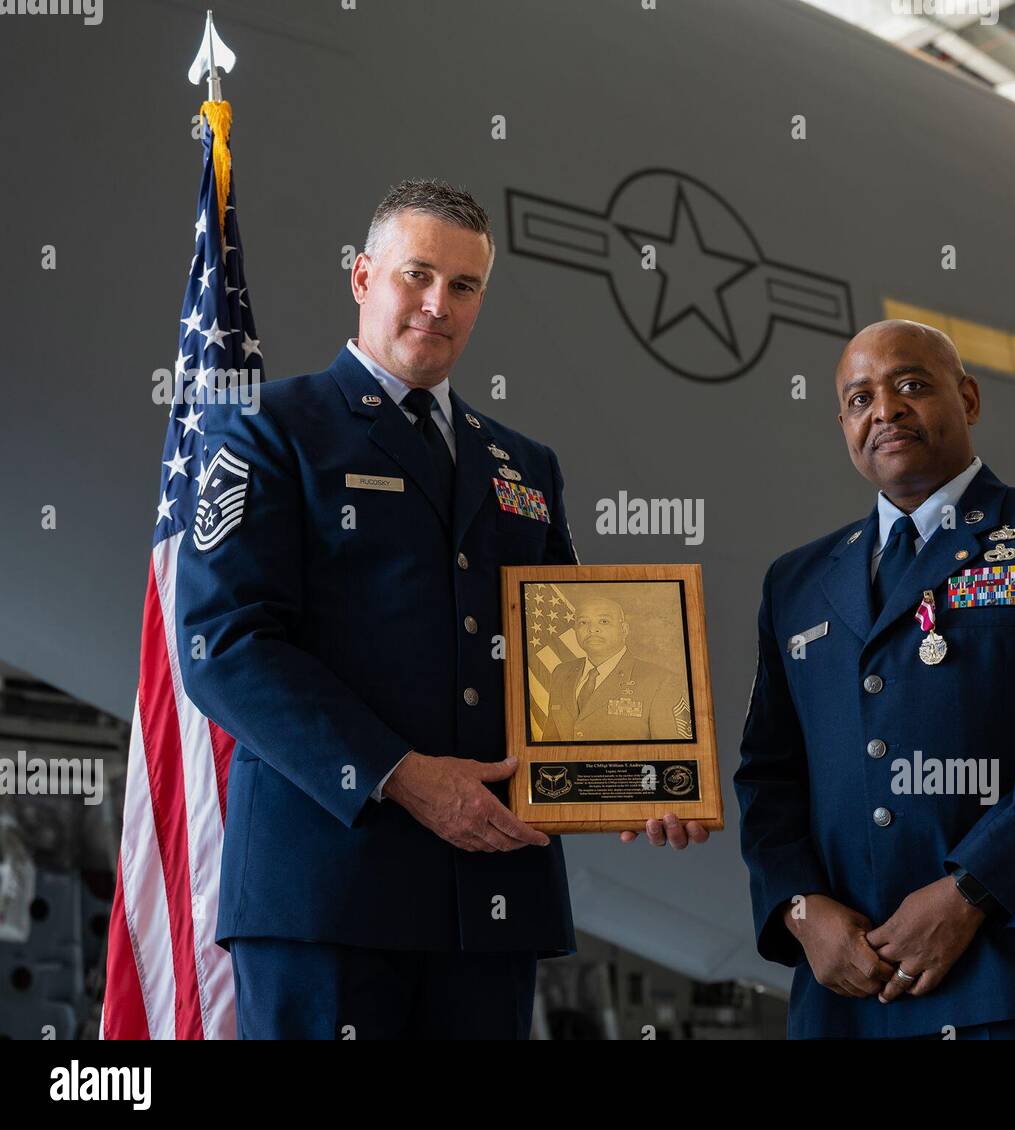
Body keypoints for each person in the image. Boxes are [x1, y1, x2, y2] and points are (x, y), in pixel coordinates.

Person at [177, 179, 698, 1040]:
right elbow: (225, 647)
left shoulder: (524, 463)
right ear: (362, 276)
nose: (436, 304)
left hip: (492, 896)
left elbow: (569, 648)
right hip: (330, 892)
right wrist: (403, 774)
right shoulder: (272, 430)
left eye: (463, 287)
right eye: (416, 276)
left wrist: (639, 770)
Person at [734, 319, 1015, 1039]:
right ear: (843, 423)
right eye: (860, 398)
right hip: (849, 1001)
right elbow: (770, 775)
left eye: (911, 386)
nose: (886, 410)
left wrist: (971, 892)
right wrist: (801, 912)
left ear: (967, 397)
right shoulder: (796, 582)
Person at [539, 597, 691, 741]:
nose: (592, 629)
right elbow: (550, 746)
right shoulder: (561, 673)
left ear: (624, 629)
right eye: (583, 622)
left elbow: (672, 752)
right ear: (576, 630)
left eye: (604, 621)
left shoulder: (660, 680)